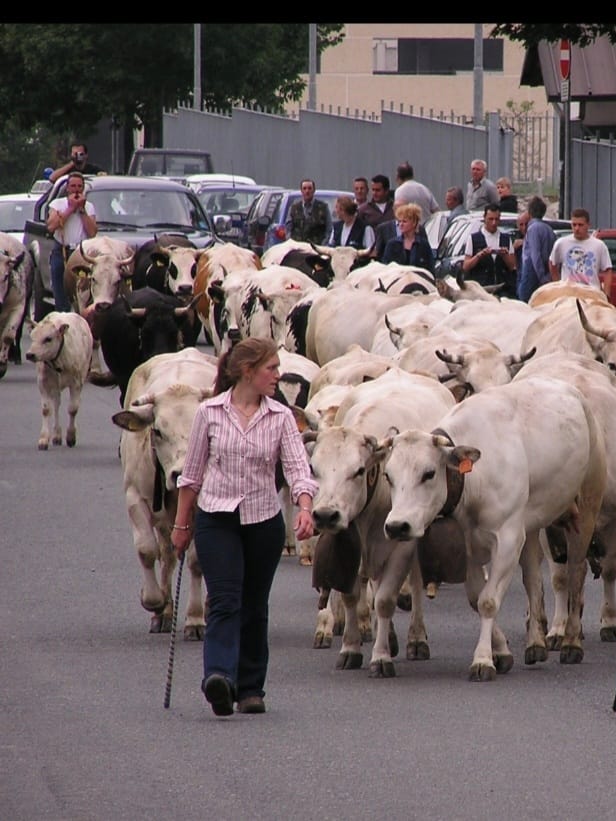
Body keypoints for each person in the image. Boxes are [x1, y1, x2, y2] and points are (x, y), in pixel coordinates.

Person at [172, 337, 318, 718]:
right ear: (247, 372)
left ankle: (251, 687)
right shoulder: (209, 412)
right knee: (224, 599)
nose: (278, 375)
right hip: (216, 518)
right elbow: (191, 475)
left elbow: (298, 469)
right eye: (272, 368)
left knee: (254, 605)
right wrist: (181, 525)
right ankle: (219, 676)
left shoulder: (281, 417)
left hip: (264, 521)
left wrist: (304, 508)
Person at [45, 171, 97, 313]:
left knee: (82, 290)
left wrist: (81, 210)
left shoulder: (89, 207)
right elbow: (51, 226)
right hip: (61, 251)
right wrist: (71, 208)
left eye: (79, 186)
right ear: (67, 188)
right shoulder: (57, 204)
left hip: (81, 252)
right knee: (60, 289)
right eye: (73, 186)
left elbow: (92, 232)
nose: (76, 189)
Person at [548, 208, 613, 298]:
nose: (577, 228)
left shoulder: (599, 245)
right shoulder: (561, 243)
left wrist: (606, 294)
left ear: (588, 225)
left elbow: (608, 270)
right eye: (574, 225)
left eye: (580, 225)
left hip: (591, 293)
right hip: (568, 295)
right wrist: (559, 284)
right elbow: (552, 263)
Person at [461, 204, 516, 293]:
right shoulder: (473, 238)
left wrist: (504, 256)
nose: (494, 223)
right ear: (484, 218)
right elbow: (466, 266)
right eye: (490, 219)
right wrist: (479, 255)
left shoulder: (506, 238)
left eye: (496, 219)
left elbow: (513, 266)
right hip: (481, 289)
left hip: (502, 288)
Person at [516, 196, 556, 303]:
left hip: (532, 273)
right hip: (546, 273)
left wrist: (542, 278)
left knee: (524, 301)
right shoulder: (549, 229)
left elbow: (535, 255)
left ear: (529, 213)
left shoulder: (533, 229)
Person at [381, 202, 434, 273]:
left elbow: (430, 269)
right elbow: (386, 267)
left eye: (404, 221)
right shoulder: (392, 244)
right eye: (399, 221)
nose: (401, 224)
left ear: (414, 223)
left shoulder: (423, 245)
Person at [286, 179, 331, 245]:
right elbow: (288, 228)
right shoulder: (293, 208)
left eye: (310, 188)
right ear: (301, 191)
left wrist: (323, 245)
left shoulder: (323, 207)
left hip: (317, 248)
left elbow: (329, 229)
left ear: (314, 190)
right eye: (304, 188)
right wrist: (291, 244)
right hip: (298, 248)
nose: (307, 191)